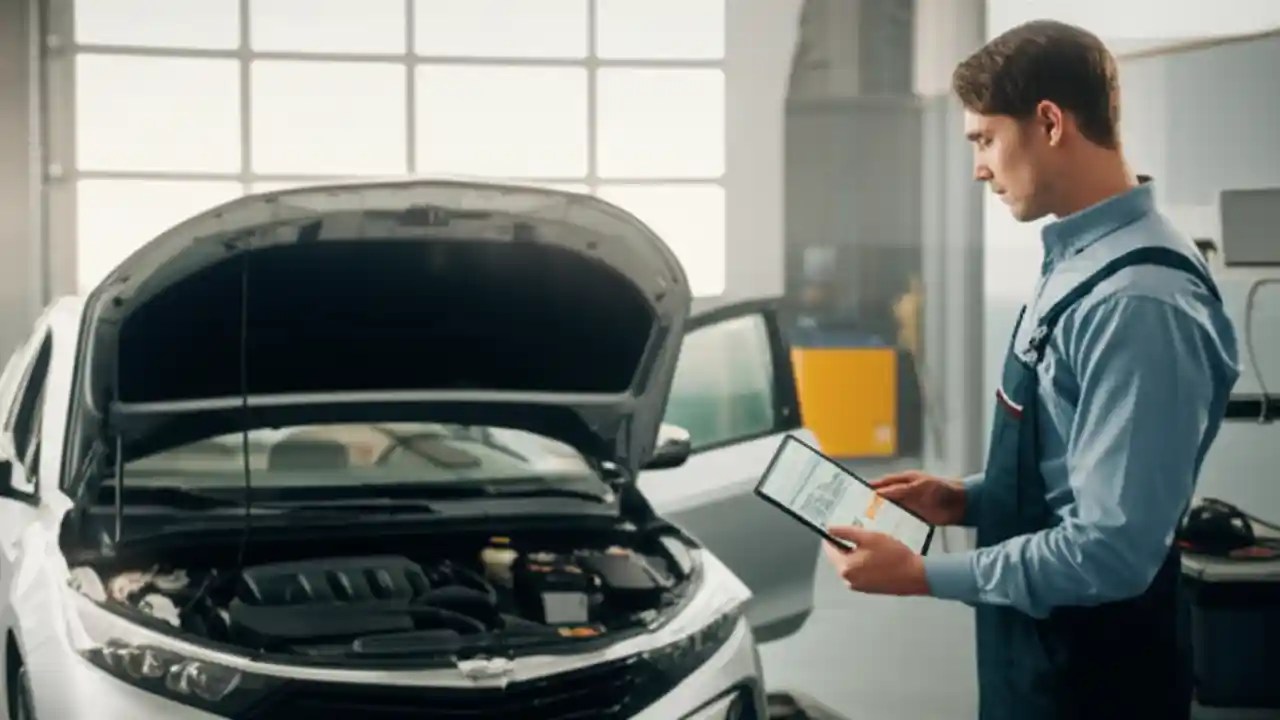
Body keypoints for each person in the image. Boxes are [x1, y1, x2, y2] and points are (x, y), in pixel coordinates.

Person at [820, 19, 1241, 720]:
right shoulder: (1078, 261)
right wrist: (965, 499)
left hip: (1094, 680)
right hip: (1043, 656)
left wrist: (924, 575)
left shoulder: (1137, 301)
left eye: (984, 139)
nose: (979, 166)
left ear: (1048, 122)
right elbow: (1073, 465)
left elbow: (1111, 550)